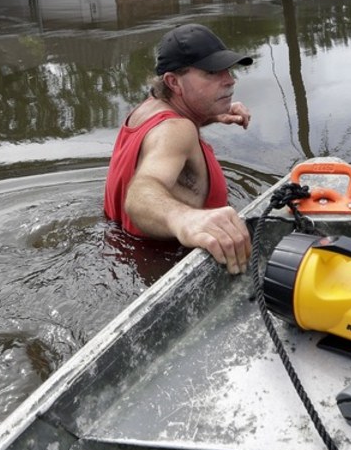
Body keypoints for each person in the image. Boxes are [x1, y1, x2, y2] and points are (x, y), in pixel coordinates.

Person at [104, 24, 253, 274]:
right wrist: (186, 220)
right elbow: (141, 193)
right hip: (167, 271)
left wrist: (211, 115)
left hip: (118, 256)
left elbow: (166, 130)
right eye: (212, 72)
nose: (230, 80)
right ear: (173, 82)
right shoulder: (177, 131)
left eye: (227, 69)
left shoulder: (145, 111)